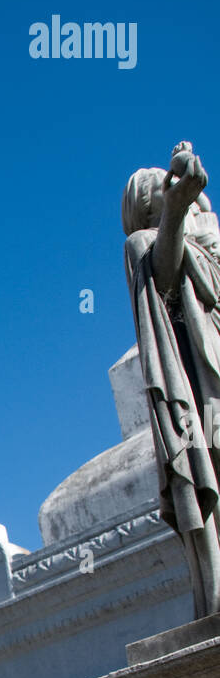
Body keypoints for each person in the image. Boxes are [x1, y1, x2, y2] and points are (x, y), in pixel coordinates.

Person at [123, 142, 220, 618]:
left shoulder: (210, 243)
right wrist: (179, 209)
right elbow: (162, 272)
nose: (174, 188)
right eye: (162, 187)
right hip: (201, 391)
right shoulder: (145, 243)